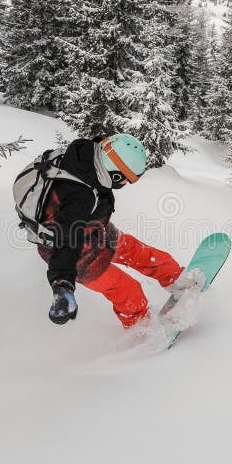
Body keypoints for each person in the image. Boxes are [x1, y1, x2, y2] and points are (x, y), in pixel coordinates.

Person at [37, 133, 203, 328]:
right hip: (74, 255)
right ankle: (141, 328)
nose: (126, 184)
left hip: (94, 229)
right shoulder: (79, 198)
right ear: (115, 174)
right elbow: (66, 241)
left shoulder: (89, 157)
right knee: (127, 290)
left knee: (136, 250)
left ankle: (177, 279)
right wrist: (62, 284)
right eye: (127, 179)